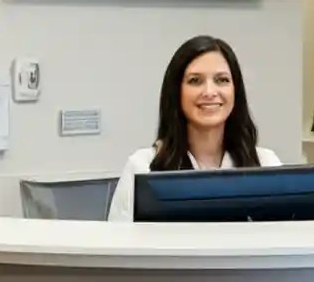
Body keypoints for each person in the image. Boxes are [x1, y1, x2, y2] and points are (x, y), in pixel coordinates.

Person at [107, 35, 281, 221]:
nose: (210, 92)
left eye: (221, 80)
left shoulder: (266, 164)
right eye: (195, 81)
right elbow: (120, 246)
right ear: (176, 92)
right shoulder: (142, 167)